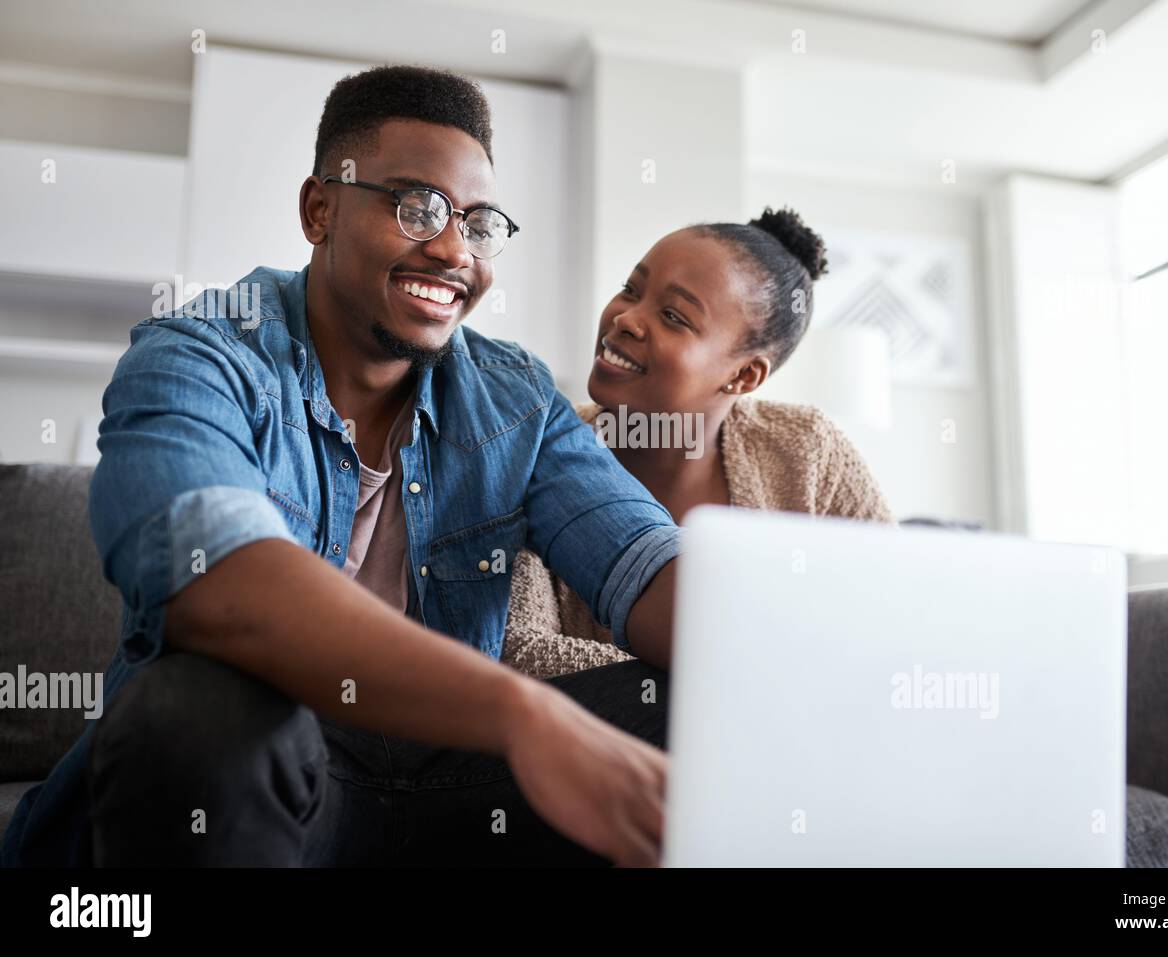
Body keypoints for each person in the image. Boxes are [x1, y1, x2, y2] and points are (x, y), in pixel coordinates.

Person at [1, 65, 681, 869]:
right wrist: (518, 710)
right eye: (417, 208)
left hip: (448, 779)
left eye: (479, 222)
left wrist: (790, 656)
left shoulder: (517, 397)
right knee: (197, 707)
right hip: (280, 772)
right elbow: (216, 588)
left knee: (691, 707)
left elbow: (647, 567)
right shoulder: (199, 354)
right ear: (319, 210)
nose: (456, 249)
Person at [503, 209, 896, 679]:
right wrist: (746, 674)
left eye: (673, 316)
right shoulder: (535, 453)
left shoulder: (808, 450)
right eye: (631, 289)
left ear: (744, 375)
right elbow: (519, 654)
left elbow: (894, 611)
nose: (626, 318)